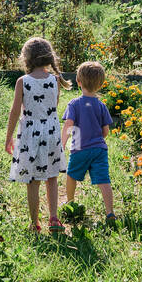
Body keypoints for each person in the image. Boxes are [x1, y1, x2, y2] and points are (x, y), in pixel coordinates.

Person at [5, 37, 65, 233]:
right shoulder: (55, 80)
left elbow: (15, 112)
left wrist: (8, 138)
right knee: (52, 177)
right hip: (51, 132)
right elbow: (53, 106)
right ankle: (54, 219)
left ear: (27, 58)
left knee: (32, 180)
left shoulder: (22, 82)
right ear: (49, 57)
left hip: (31, 134)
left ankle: (34, 223)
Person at [61, 61, 118, 229]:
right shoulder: (101, 105)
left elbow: (68, 125)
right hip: (99, 150)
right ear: (100, 85)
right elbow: (105, 130)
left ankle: (70, 203)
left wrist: (62, 144)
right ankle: (110, 212)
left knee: (72, 175)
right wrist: (97, 139)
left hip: (79, 149)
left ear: (78, 81)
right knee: (103, 180)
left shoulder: (74, 104)